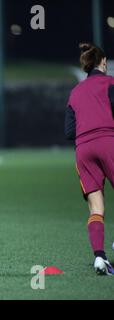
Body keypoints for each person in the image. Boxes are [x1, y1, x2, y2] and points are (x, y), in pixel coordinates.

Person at [65, 42, 114, 275]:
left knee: (96, 208)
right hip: (109, 142)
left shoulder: (75, 92)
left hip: (83, 148)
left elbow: (68, 132)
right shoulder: (111, 83)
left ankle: (100, 258)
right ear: (103, 63)